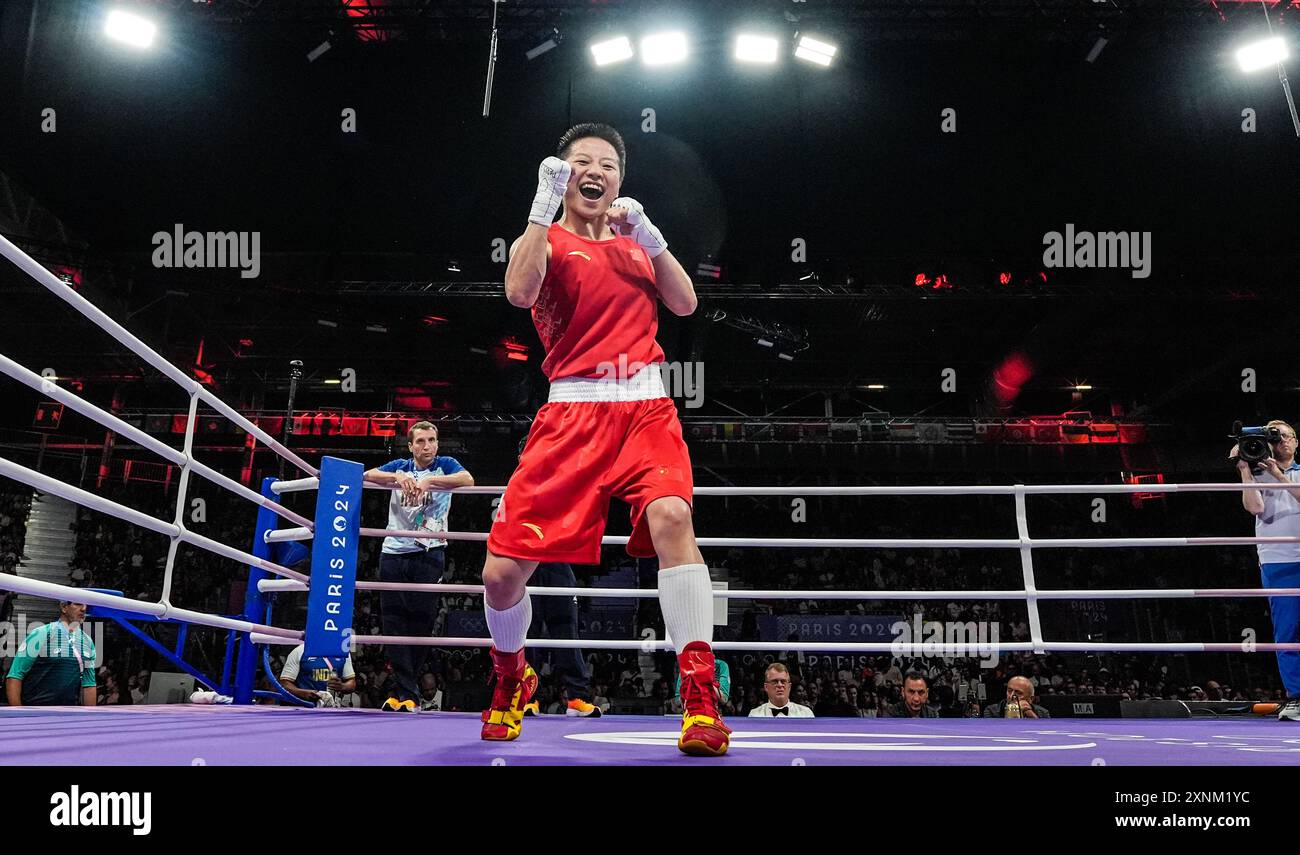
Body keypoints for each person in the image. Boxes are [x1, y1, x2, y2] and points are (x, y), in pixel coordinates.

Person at [479, 122, 728, 755]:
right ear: (562, 176)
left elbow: (686, 304)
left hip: (645, 406)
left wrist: (653, 236)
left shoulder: (636, 241)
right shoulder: (546, 239)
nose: (596, 171)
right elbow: (518, 291)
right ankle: (512, 677)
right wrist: (539, 208)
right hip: (571, 415)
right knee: (502, 576)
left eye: (608, 164)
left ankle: (700, 701)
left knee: (673, 517)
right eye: (581, 162)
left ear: (619, 180)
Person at [364, 421, 473, 712]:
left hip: (430, 553)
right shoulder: (400, 465)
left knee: (421, 623)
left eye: (433, 440)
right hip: (393, 552)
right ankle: (406, 691)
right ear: (411, 446)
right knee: (394, 623)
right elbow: (368, 474)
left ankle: (407, 690)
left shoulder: (445, 464)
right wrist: (399, 477)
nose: (428, 446)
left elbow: (468, 480)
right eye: (421, 441)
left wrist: (428, 482)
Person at [1233, 419, 1300, 721]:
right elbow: (1255, 508)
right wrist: (1246, 468)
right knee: (1287, 632)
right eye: (1275, 436)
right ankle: (1297, 696)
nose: (1282, 439)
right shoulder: (1258, 475)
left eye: (1286, 435)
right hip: (1278, 559)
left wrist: (1277, 472)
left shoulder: (1294, 473)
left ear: (1296, 441)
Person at [4, 600, 97, 706]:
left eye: (86, 604)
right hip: (36, 711)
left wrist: (89, 717)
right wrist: (18, 715)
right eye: (78, 603)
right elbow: (15, 676)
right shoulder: (41, 634)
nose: (84, 608)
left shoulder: (87, 642)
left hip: (69, 713)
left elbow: (89, 684)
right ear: (64, 607)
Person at [280, 642, 357, 707]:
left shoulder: (342, 652)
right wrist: (303, 693)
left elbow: (352, 683)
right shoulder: (299, 651)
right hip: (305, 706)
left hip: (333, 707)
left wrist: (342, 686)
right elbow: (285, 684)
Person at [749, 662, 814, 718]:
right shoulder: (755, 715)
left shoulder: (805, 714)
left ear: (789, 686)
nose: (780, 685)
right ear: (766, 687)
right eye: (774, 681)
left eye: (783, 681)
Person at [982, 675, 1050, 718]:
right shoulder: (992, 711)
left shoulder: (1042, 713)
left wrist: (1029, 713)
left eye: (1018, 693)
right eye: (1009, 691)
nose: (1011, 696)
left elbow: (1045, 737)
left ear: (1030, 699)